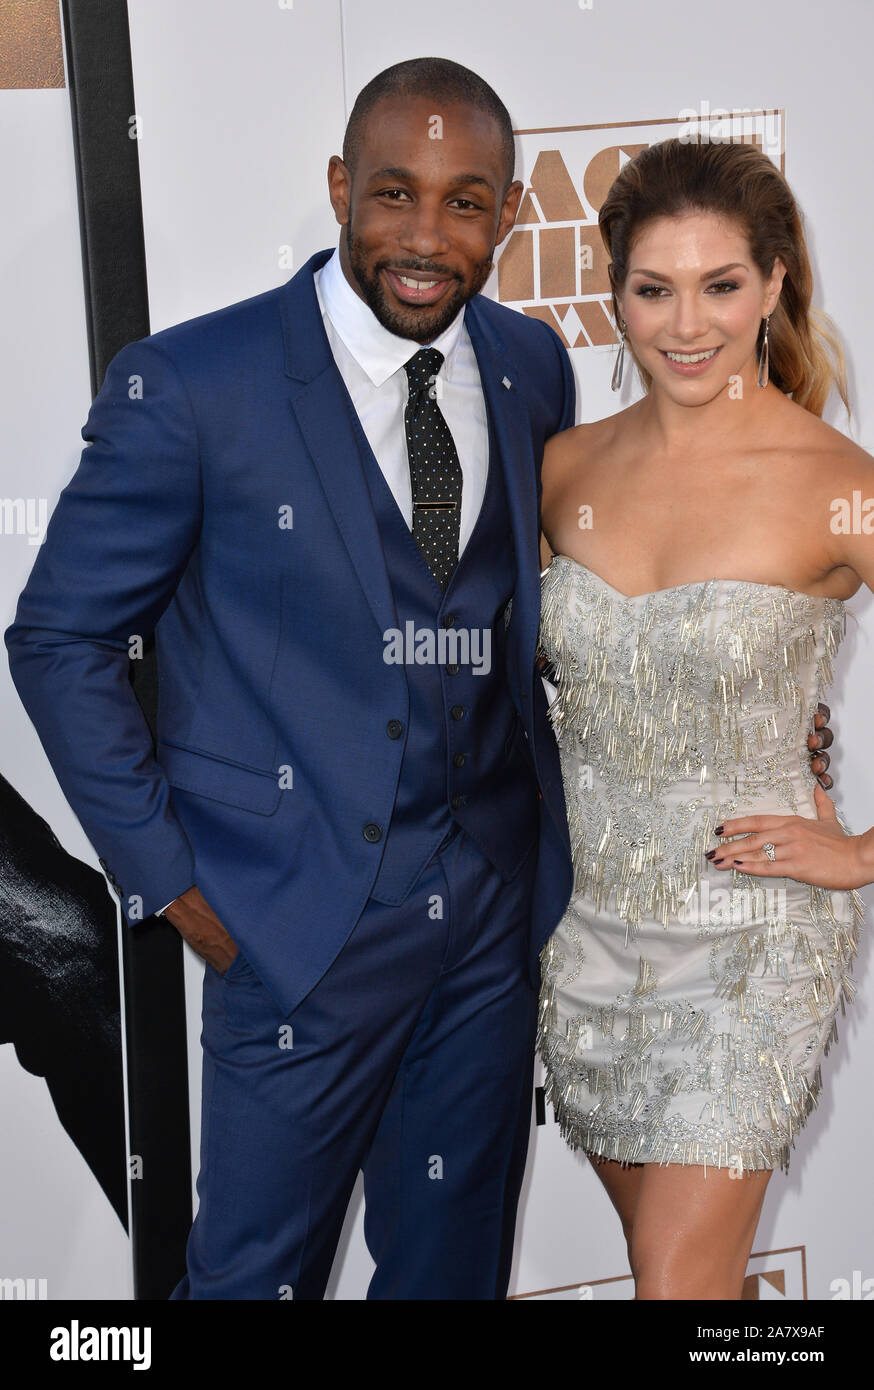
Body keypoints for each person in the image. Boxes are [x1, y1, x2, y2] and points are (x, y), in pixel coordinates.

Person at [4, 56, 578, 1301]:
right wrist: (170, 883)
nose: (426, 239)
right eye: (393, 195)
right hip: (293, 922)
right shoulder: (196, 385)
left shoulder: (532, 370)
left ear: (511, 212)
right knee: (251, 1282)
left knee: (449, 1274)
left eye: (466, 201)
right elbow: (57, 639)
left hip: (485, 923)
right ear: (336, 189)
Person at [537, 136, 868, 1300]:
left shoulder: (840, 482)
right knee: (693, 1291)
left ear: (775, 281)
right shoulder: (562, 471)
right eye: (653, 287)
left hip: (753, 943)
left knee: (674, 1287)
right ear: (611, 291)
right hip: (581, 945)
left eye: (721, 284)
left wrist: (864, 850)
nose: (687, 323)